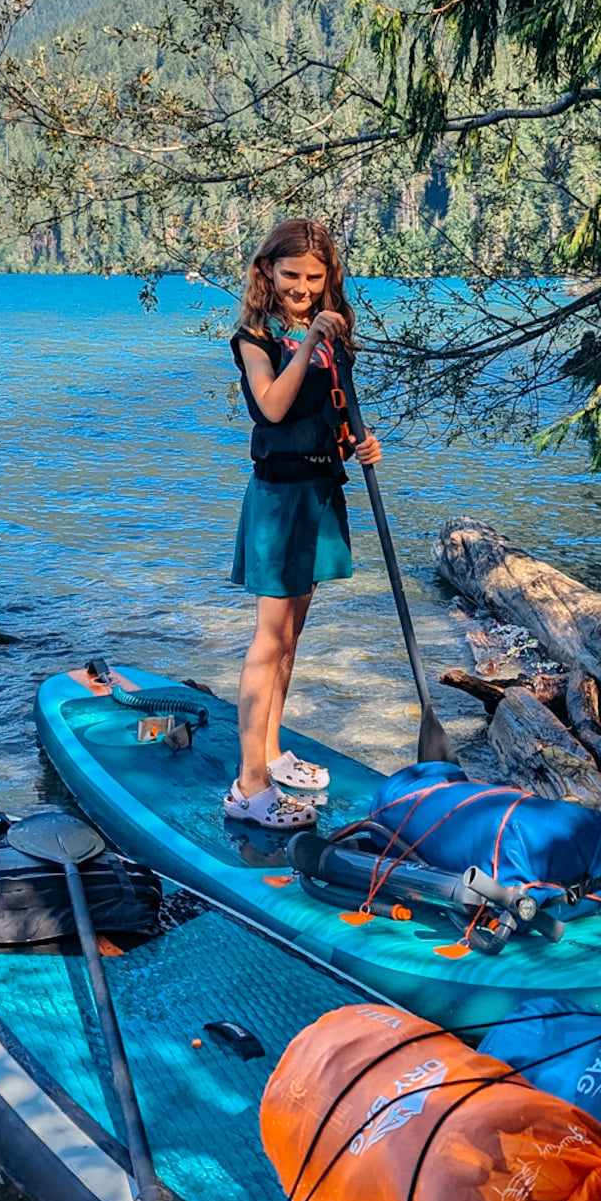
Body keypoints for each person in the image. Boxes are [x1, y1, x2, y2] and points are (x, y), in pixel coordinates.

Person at [224, 217, 381, 829]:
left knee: (291, 638)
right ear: (268, 270)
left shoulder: (330, 334)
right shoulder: (254, 336)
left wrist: (362, 444)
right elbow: (272, 407)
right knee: (267, 640)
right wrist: (314, 336)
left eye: (315, 278)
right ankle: (248, 786)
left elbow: (333, 412)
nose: (304, 287)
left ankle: (269, 750)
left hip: (320, 488)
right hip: (279, 498)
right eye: (292, 275)